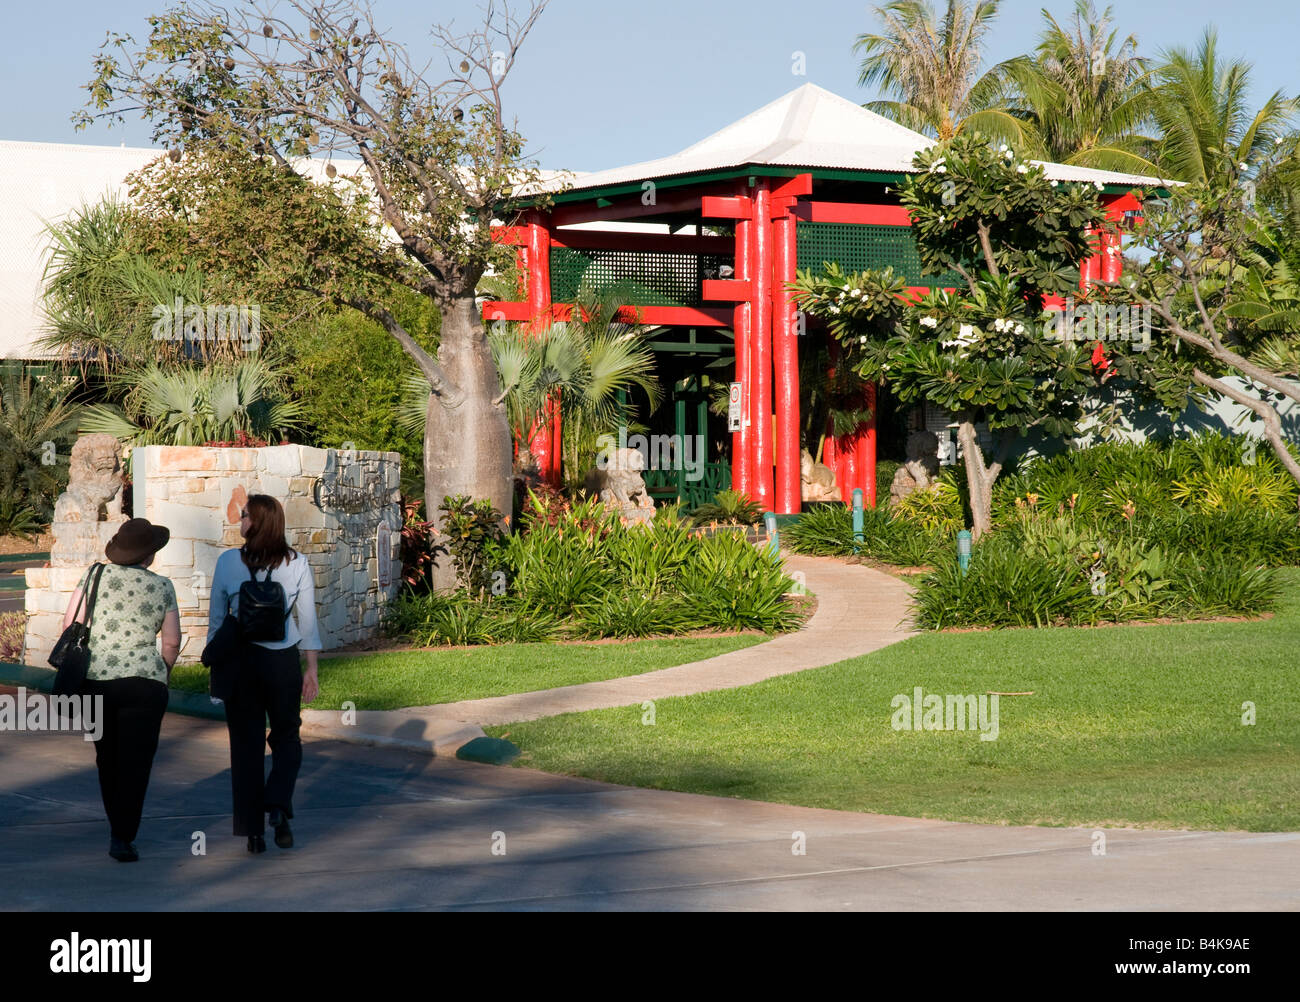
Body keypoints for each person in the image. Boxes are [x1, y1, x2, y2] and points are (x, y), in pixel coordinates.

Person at [207, 494, 321, 854]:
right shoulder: (297, 562)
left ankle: (253, 834)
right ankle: (278, 805)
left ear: (255, 522)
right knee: (288, 737)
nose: (239, 521)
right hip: (282, 662)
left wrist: (216, 665)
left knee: (245, 747)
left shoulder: (227, 562)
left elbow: (215, 620)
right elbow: (308, 621)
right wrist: (312, 669)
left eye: (244, 516)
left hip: (240, 664)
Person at [62, 518, 181, 863]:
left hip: (96, 682)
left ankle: (116, 823)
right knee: (136, 762)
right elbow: (171, 642)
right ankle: (123, 836)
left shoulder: (93, 576)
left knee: (107, 757)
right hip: (144, 685)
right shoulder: (162, 587)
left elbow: (70, 625)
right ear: (150, 556)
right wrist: (163, 672)